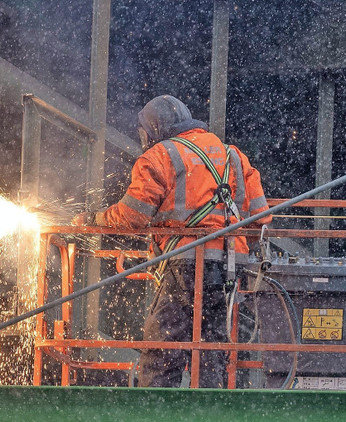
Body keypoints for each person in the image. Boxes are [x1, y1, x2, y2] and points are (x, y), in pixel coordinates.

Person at [72, 95, 272, 388]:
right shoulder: (232, 155)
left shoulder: (159, 157)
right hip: (229, 269)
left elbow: (133, 216)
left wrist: (94, 220)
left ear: (152, 128)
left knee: (162, 351)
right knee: (211, 351)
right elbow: (261, 218)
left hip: (186, 265)